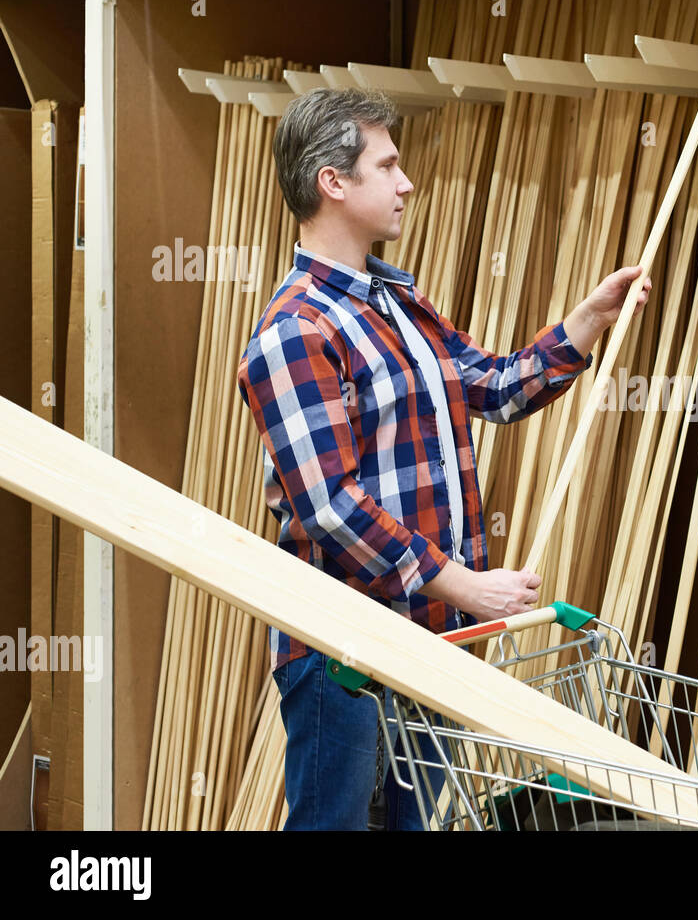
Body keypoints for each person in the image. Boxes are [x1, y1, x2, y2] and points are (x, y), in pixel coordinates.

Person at [236, 87, 650, 830]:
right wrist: (465, 584)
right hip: (346, 659)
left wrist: (587, 322)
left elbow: (490, 388)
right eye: (387, 165)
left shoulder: (397, 301)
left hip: (432, 645)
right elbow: (330, 505)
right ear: (334, 182)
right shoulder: (293, 331)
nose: (407, 182)